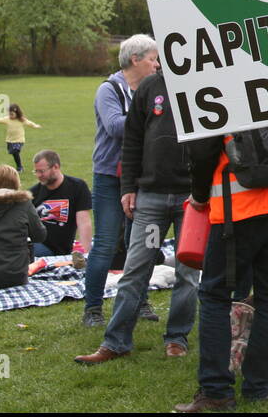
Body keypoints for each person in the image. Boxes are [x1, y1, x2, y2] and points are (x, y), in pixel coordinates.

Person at [74, 71, 201, 364]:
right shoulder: (150, 86)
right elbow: (131, 141)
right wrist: (128, 187)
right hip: (152, 197)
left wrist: (206, 190)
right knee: (136, 269)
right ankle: (116, 342)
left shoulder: (202, 79)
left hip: (191, 200)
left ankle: (176, 338)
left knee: (187, 272)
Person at [173, 124, 268, 411]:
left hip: (235, 210)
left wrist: (199, 195)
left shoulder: (220, 83)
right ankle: (258, 387)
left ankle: (216, 390)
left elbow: (203, 151)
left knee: (215, 296)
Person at [85, 33, 160, 327]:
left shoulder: (152, 88)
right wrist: (154, 116)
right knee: (105, 243)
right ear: (135, 59)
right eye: (153, 59)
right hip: (109, 177)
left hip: (140, 176)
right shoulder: (109, 89)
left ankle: (139, 302)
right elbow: (116, 126)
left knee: (138, 245)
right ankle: (92, 309)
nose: (157, 65)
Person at [29, 149, 92, 259]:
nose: (38, 175)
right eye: (36, 171)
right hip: (39, 245)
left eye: (42, 171)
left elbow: (84, 221)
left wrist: (86, 253)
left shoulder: (77, 187)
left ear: (56, 167)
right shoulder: (33, 193)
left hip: (61, 249)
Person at [0, 103, 41, 172]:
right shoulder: (7, 119)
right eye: (9, 114)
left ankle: (19, 167)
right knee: (13, 153)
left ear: (17, 113)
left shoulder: (21, 120)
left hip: (19, 140)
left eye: (12, 114)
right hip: (10, 141)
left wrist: (35, 126)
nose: (10, 116)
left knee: (15, 151)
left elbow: (29, 123)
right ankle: (19, 166)